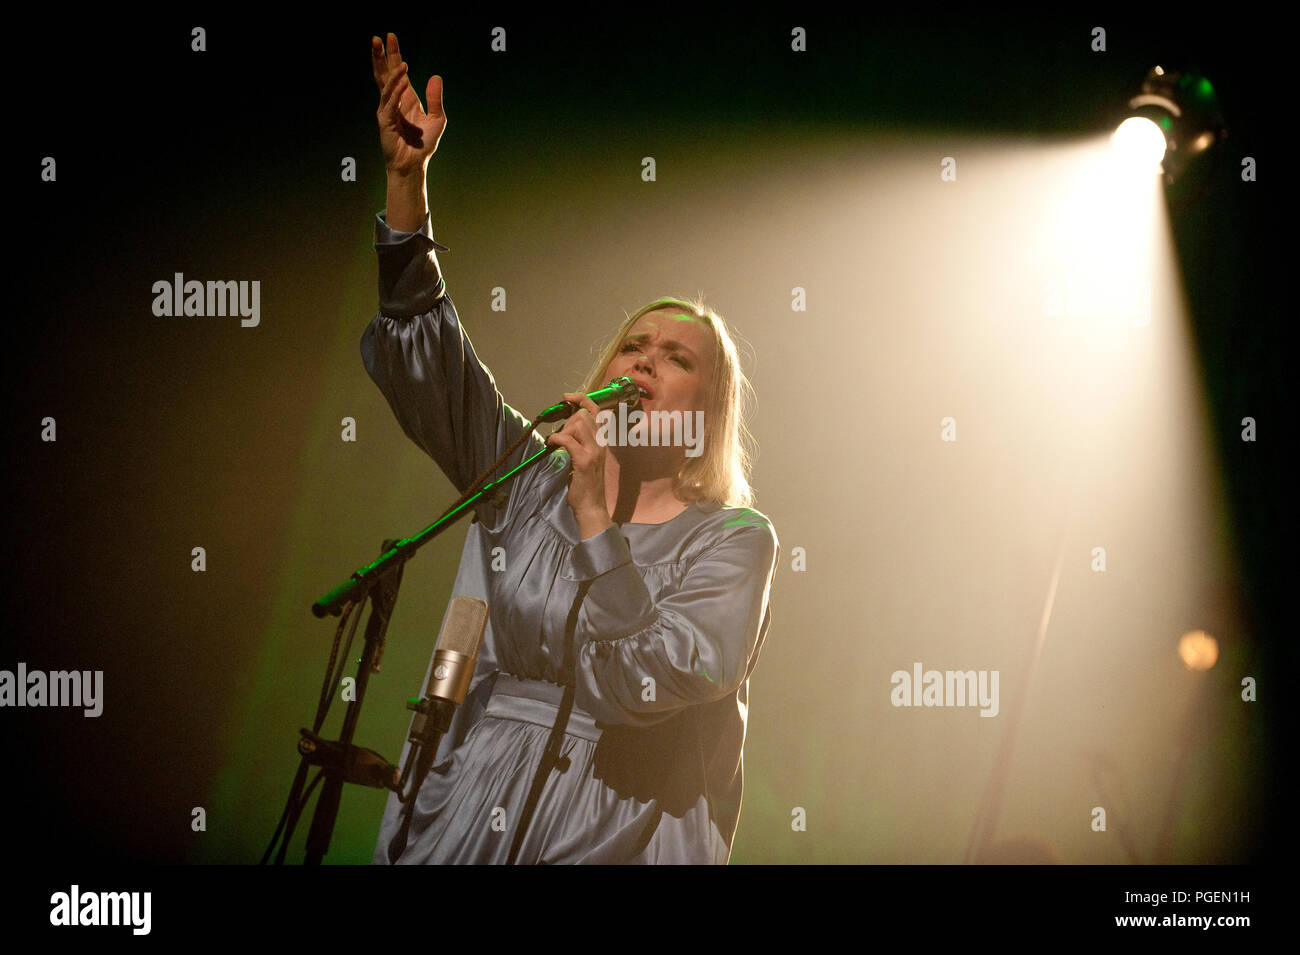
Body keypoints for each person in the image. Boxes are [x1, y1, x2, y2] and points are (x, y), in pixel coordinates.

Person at [363, 33, 778, 864]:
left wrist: (595, 519)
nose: (644, 363)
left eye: (676, 358)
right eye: (634, 346)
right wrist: (409, 185)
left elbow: (642, 683)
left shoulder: (734, 540)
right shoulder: (527, 478)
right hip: (474, 801)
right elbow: (428, 360)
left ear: (710, 405)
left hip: (607, 824)